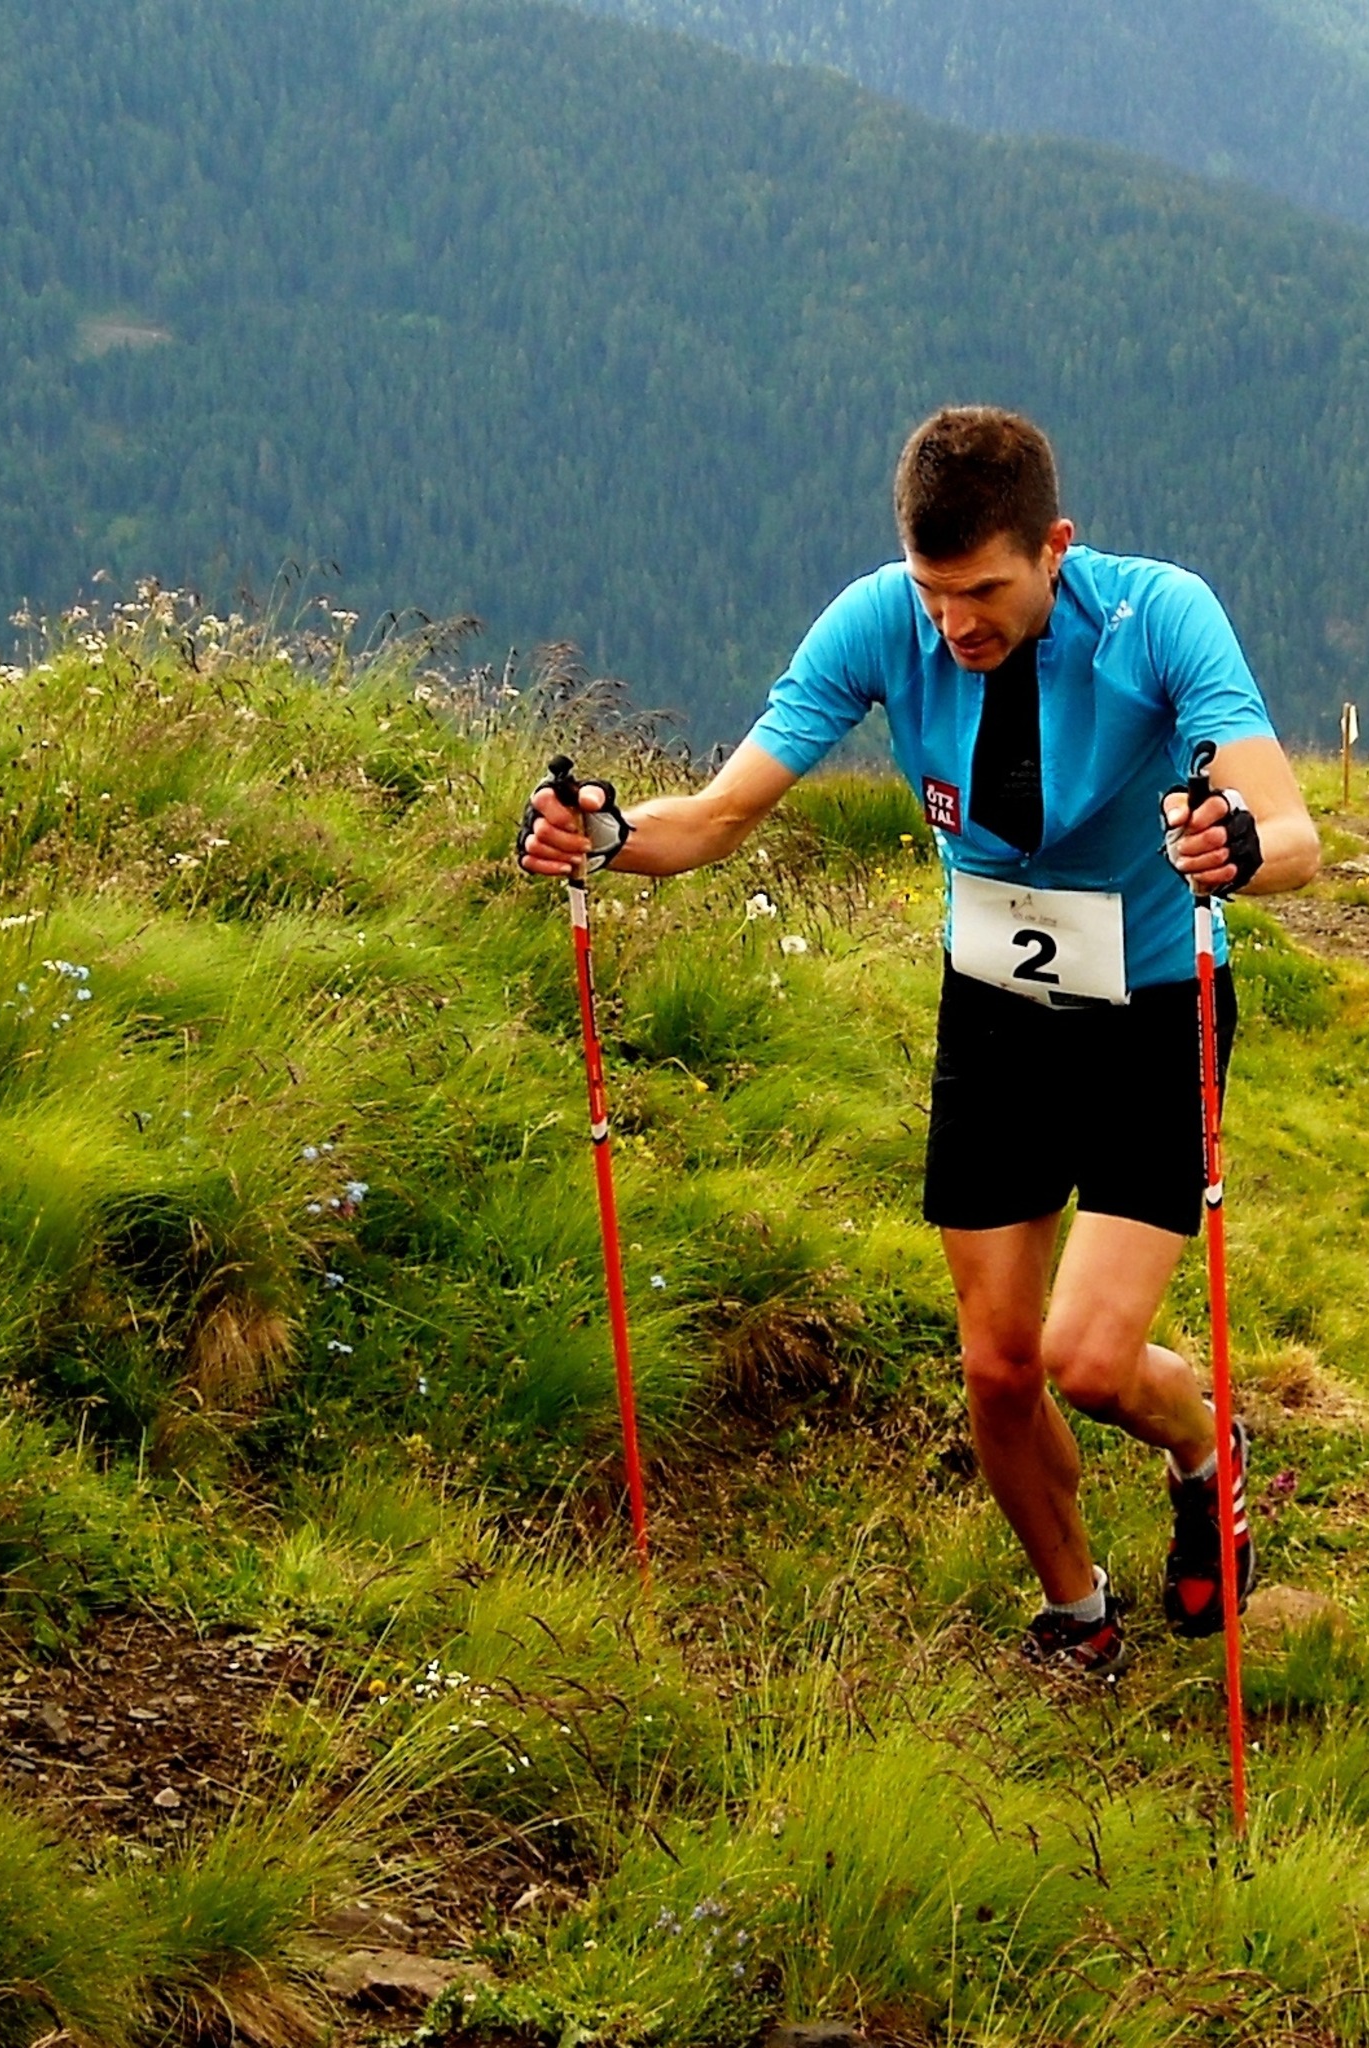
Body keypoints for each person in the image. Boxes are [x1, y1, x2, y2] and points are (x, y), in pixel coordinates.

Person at [520, 407, 1319, 1675]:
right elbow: (718, 816)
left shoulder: (1161, 616)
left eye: (985, 591)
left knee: (1086, 1358)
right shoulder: (879, 619)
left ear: (1054, 546)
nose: (955, 624)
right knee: (999, 1366)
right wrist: (606, 835)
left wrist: (1237, 846)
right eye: (933, 591)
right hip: (995, 1009)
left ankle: (1200, 1444)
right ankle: (1076, 1611)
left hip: (1150, 1010)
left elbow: (1292, 835)